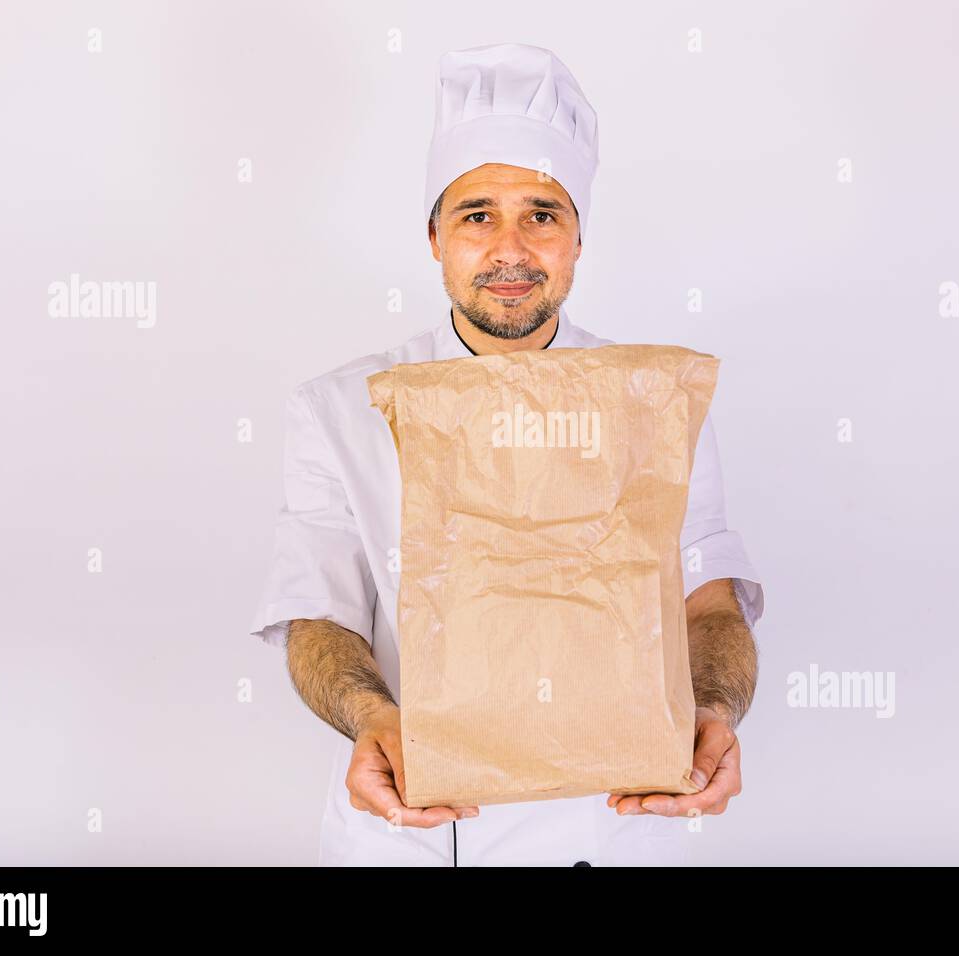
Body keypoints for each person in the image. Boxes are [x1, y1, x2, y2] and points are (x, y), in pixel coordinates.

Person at [249, 42, 764, 866]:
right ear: (434, 239)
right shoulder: (343, 408)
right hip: (411, 830)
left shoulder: (654, 402)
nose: (511, 250)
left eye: (542, 213)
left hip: (610, 826)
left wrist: (713, 709)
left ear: (578, 239)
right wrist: (374, 720)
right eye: (477, 214)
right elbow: (320, 614)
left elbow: (709, 603)